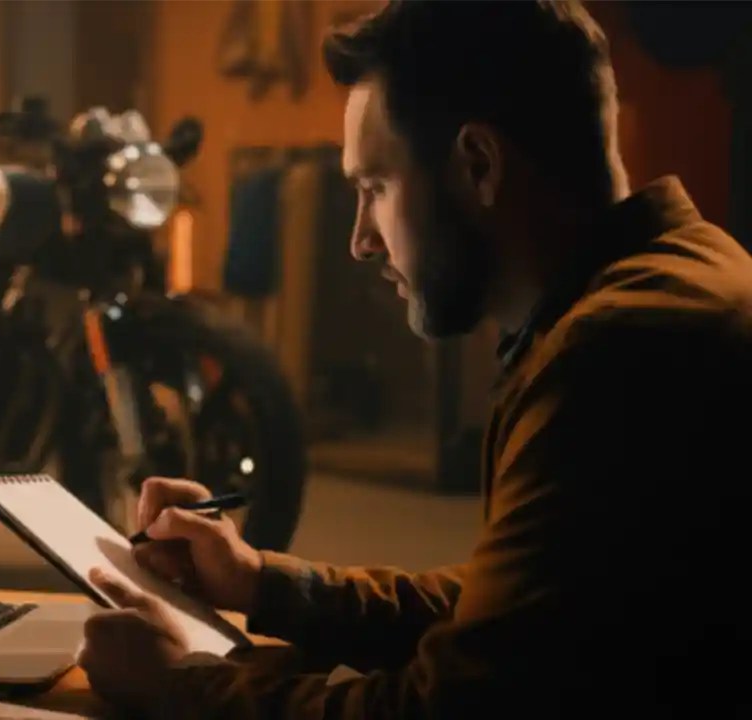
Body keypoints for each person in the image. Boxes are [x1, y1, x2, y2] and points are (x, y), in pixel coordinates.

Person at [76, 1, 752, 718]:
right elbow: (524, 612)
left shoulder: (619, 354)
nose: (362, 241)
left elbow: (447, 709)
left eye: (375, 189)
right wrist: (261, 583)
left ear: (478, 164)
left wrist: (181, 684)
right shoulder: (683, 274)